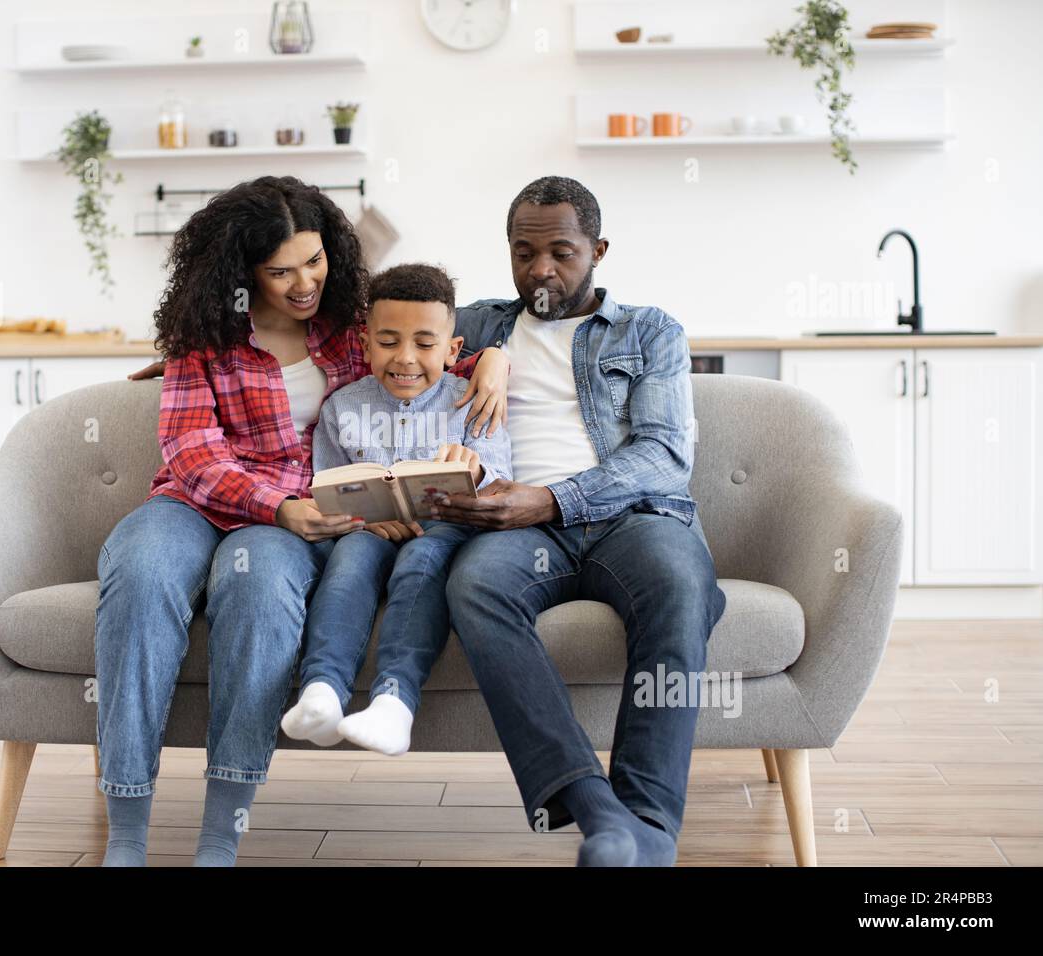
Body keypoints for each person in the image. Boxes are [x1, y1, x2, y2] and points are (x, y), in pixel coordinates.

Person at [102, 176, 507, 866]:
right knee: (140, 579)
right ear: (240, 272)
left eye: (314, 261)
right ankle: (126, 834)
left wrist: (494, 360)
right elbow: (193, 453)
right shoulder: (204, 337)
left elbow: (431, 350)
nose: (303, 284)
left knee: (259, 593)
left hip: (297, 520)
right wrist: (277, 505)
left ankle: (219, 838)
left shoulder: (351, 331)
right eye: (280, 270)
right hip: (198, 502)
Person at [431, 176, 728, 867]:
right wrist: (199, 355)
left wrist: (552, 498)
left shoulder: (648, 329)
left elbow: (662, 456)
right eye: (523, 252)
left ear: (597, 249)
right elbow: (355, 339)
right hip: (521, 533)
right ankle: (597, 811)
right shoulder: (474, 327)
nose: (541, 270)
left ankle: (649, 826)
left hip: (633, 518)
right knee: (473, 587)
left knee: (680, 586)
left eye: (561, 252)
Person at [280, 263, 511, 757]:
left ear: (453, 351)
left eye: (425, 345)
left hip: (445, 530)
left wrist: (473, 469)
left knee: (420, 564)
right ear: (364, 344)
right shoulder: (342, 406)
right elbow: (328, 483)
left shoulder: (471, 401)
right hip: (368, 529)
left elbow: (497, 477)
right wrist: (359, 518)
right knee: (347, 565)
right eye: (388, 342)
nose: (405, 359)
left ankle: (394, 701)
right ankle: (321, 692)